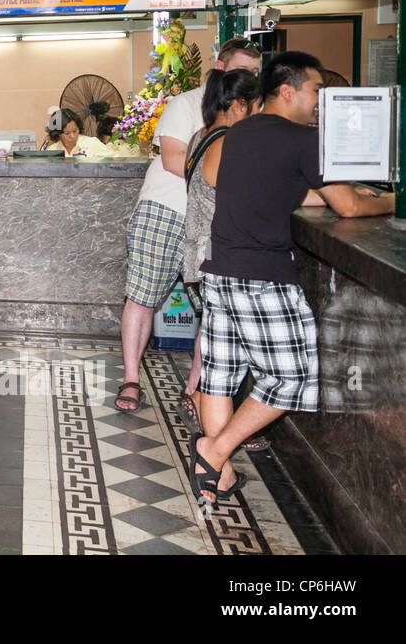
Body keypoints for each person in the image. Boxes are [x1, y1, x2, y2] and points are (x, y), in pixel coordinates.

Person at [191, 52, 395, 507]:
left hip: (219, 272)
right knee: (292, 377)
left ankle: (217, 476)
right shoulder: (305, 140)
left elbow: (269, 187)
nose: (321, 101)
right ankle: (215, 451)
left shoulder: (237, 134)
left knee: (221, 378)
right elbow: (350, 207)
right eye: (317, 90)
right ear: (289, 91)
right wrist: (392, 202)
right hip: (262, 278)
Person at [116, 38, 262, 411]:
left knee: (213, 311)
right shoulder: (186, 104)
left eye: (254, 73)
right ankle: (131, 380)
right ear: (220, 65)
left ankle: (194, 391)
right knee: (142, 296)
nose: (247, 78)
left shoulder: (253, 115)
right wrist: (232, 181)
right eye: (240, 70)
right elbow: (173, 160)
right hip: (165, 211)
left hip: (213, 222)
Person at [179, 68, 263, 439]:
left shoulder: (201, 135)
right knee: (228, 356)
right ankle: (215, 428)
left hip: (198, 256)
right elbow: (247, 197)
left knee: (220, 347)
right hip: (217, 258)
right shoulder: (230, 142)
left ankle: (217, 434)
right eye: (258, 105)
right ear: (241, 105)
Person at [45, 108, 110, 158]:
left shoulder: (92, 143)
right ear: (58, 133)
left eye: (75, 131)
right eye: (67, 133)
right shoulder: (52, 151)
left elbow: (115, 162)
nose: (72, 136)